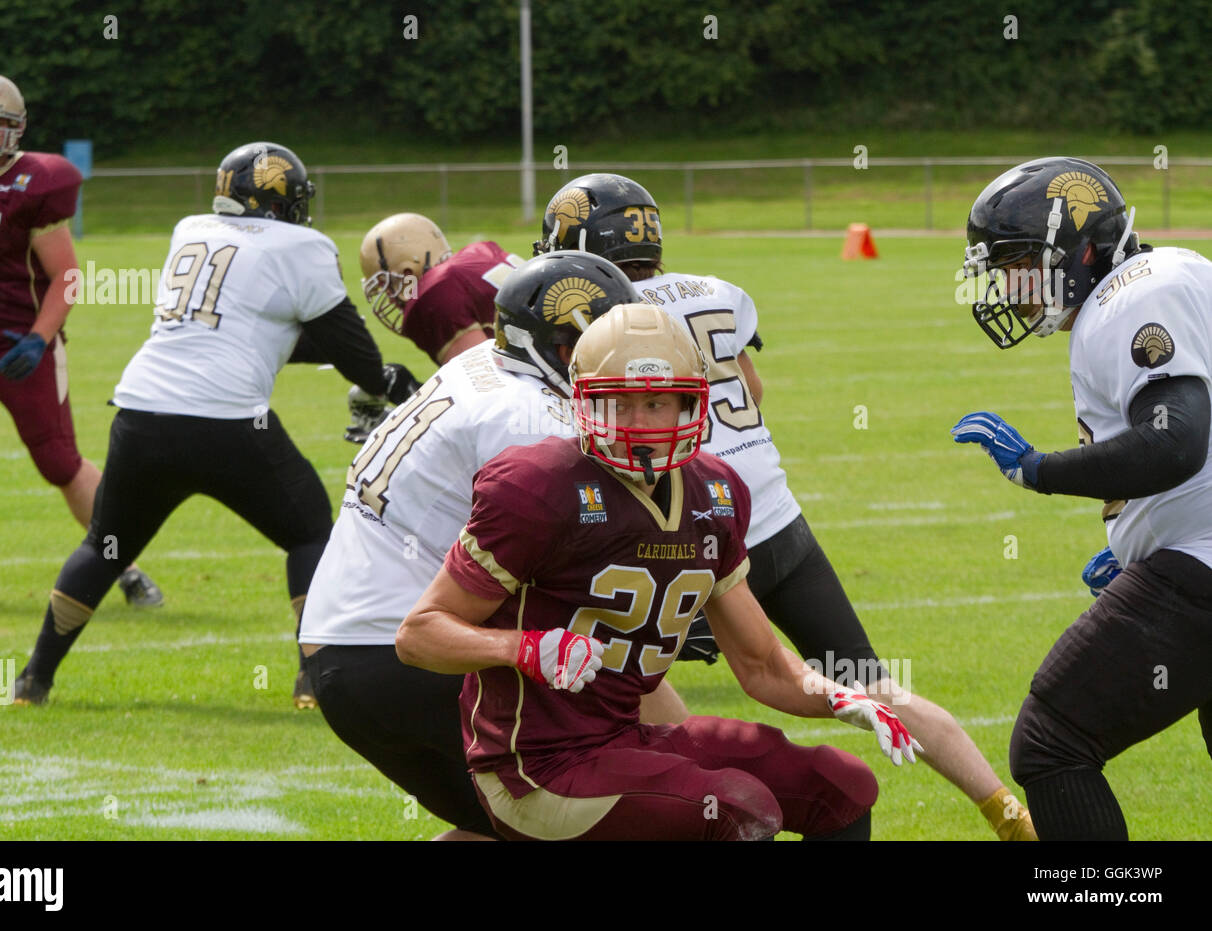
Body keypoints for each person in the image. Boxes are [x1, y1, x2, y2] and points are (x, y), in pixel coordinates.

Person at [535, 172, 1037, 839]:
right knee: (872, 682)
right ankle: (1005, 807)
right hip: (770, 512)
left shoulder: (607, 314)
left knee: (625, 678)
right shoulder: (716, 291)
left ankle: (700, 793)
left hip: (684, 524)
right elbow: (752, 388)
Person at [396, 302, 920, 841]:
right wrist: (521, 649)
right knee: (737, 806)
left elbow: (763, 665)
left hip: (628, 740)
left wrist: (835, 695)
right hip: (537, 769)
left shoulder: (715, 493)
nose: (640, 425)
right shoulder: (538, 485)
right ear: (583, 404)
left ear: (688, 404)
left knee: (840, 786)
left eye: (655, 403)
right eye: (619, 405)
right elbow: (419, 634)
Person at [9, 141, 418, 708]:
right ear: (278, 201)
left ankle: (34, 680)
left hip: (142, 412)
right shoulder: (301, 245)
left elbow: (242, 329)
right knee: (307, 531)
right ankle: (312, 681)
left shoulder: (191, 229)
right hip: (226, 422)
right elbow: (348, 345)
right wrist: (382, 380)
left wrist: (352, 363)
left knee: (105, 545)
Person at [301, 252, 693, 839]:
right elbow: (583, 594)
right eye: (598, 345)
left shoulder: (488, 362)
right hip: (409, 651)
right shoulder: (530, 420)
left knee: (517, 826)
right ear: (561, 348)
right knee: (606, 813)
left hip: (357, 647)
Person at [952, 156, 1212, 841]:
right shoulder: (1168, 277)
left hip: (1202, 566)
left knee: (1051, 739)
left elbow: (1177, 439)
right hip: (1194, 554)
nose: (1008, 284)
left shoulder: (1133, 296)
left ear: (1081, 247)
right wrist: (1141, 549)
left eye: (1017, 261)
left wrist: (1040, 469)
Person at [0, 73, 161, 605]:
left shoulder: (35, 183)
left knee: (59, 463)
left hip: (20, 348)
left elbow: (67, 278)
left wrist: (38, 339)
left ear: (18, 128)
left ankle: (126, 566)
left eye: (0, 122)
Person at [344, 214, 524, 443]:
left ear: (407, 272)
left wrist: (403, 396)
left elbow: (484, 396)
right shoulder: (483, 253)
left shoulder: (435, 292)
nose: (390, 297)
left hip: (545, 414)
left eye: (388, 285)